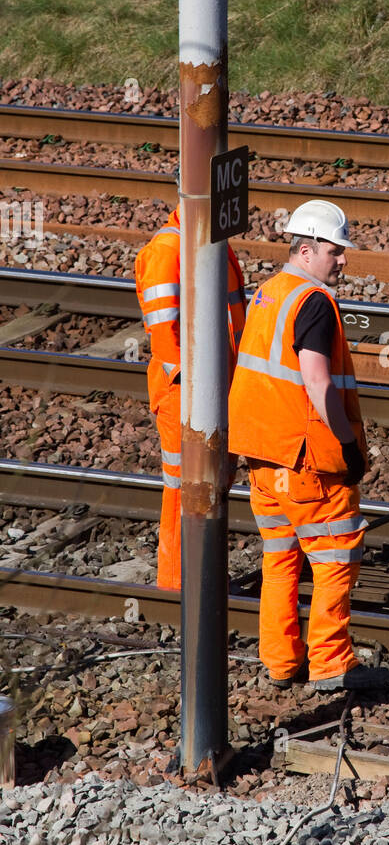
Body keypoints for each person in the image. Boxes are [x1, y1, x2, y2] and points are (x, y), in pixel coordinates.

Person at [228, 199, 389, 693]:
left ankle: (280, 661)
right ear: (307, 248)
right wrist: (348, 443)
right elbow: (317, 382)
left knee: (280, 557)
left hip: (261, 456)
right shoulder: (314, 301)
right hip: (307, 460)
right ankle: (331, 664)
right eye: (336, 251)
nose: (343, 261)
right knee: (335, 556)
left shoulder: (268, 293)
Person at [135, 205, 246, 589]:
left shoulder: (212, 240)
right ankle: (178, 585)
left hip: (220, 383)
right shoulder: (170, 249)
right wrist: (195, 388)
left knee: (213, 481)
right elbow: (165, 332)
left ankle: (203, 573)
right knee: (186, 484)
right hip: (187, 390)